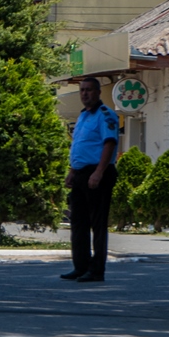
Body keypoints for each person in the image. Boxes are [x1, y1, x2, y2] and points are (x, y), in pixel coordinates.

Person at [62, 78, 119, 283]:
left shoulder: (106, 116)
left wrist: (99, 172)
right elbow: (80, 146)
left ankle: (96, 271)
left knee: (97, 223)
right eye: (82, 90)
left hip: (98, 174)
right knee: (78, 221)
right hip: (80, 174)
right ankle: (81, 266)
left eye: (89, 90)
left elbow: (109, 144)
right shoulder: (83, 116)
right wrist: (72, 171)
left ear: (98, 92)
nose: (85, 94)